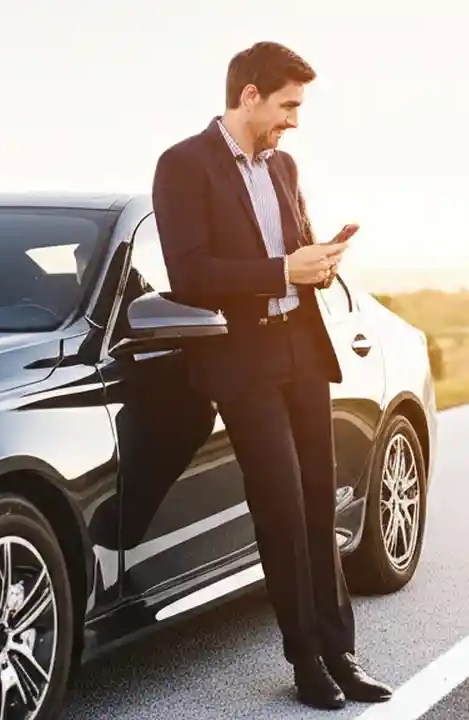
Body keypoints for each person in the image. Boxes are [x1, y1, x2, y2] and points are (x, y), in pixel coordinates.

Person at [151, 41, 393, 710]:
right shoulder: (182, 165)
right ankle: (306, 661)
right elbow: (190, 273)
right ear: (249, 95)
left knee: (319, 500)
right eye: (287, 105)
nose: (294, 120)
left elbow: (293, 248)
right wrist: (282, 271)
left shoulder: (285, 165)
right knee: (282, 508)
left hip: (302, 349)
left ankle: (341, 652)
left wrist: (318, 261)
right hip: (242, 358)